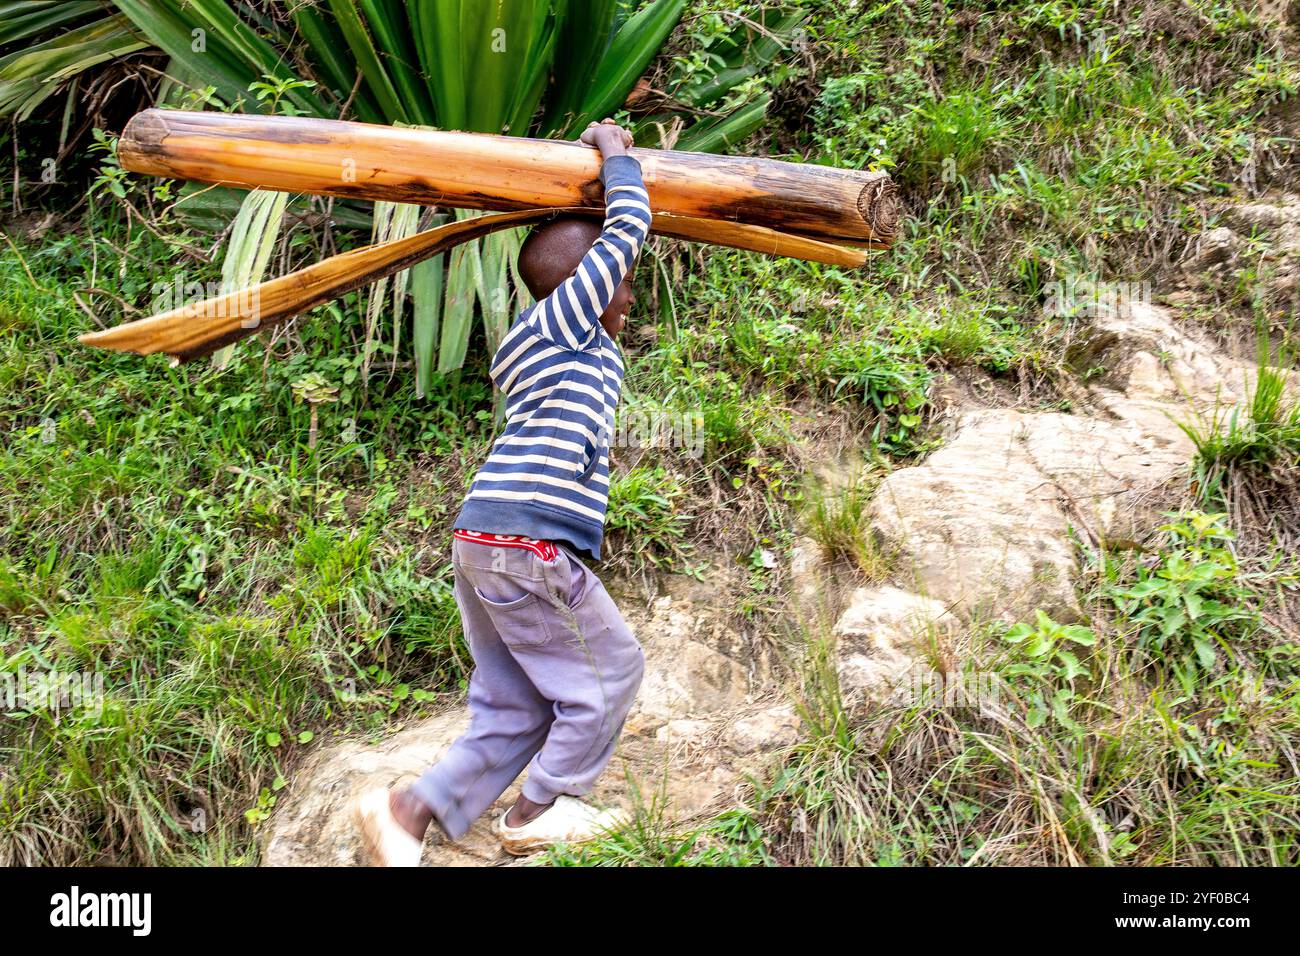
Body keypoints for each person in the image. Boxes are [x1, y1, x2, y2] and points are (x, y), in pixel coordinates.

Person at [356, 118, 653, 863]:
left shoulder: (532, 341)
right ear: (586, 286)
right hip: (527, 543)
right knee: (613, 669)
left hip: (485, 538)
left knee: (515, 701)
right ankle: (540, 809)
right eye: (621, 286)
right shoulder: (567, 324)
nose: (629, 298)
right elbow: (625, 233)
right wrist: (619, 160)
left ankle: (409, 811)